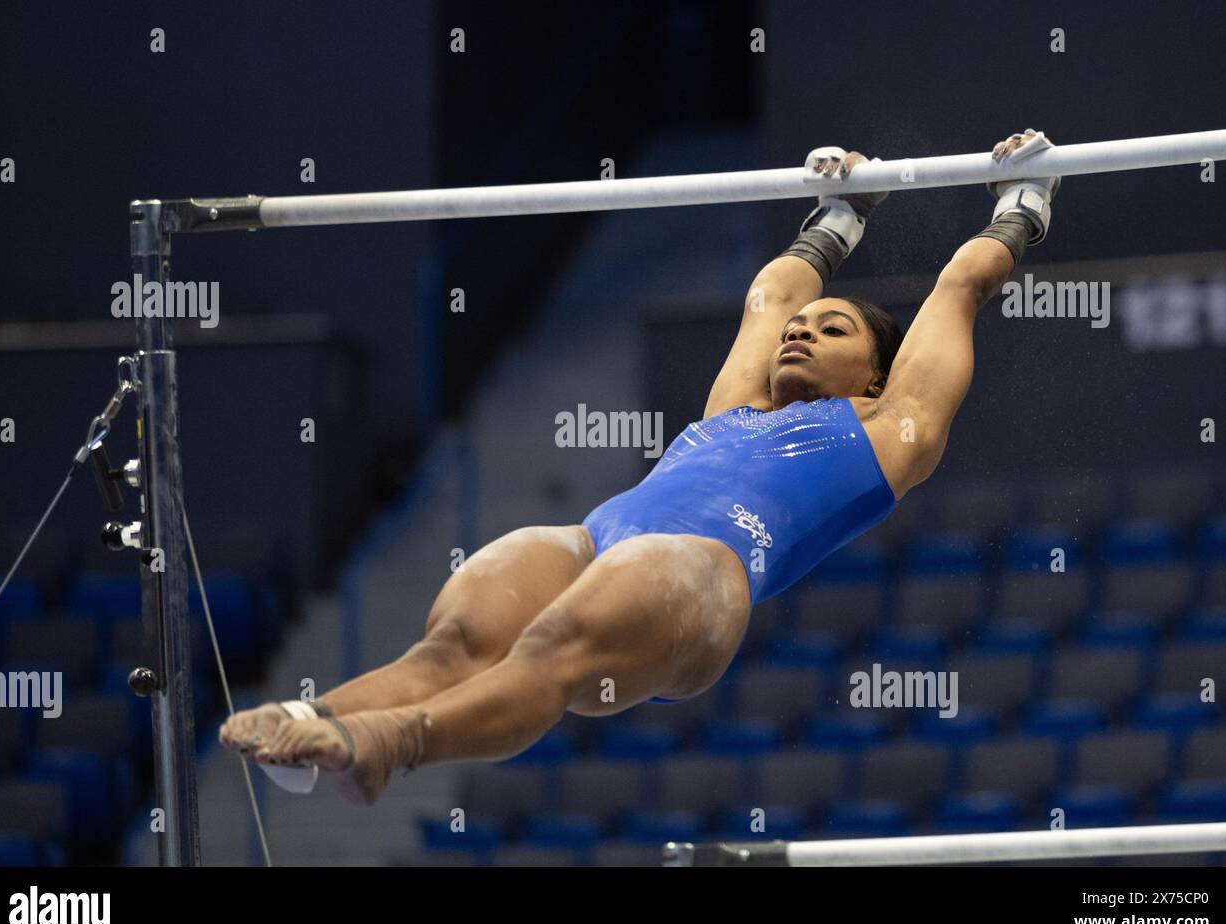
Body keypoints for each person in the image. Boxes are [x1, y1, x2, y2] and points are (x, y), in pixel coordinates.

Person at [219, 129, 1060, 805]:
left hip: (699, 577)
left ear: (876, 373)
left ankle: (384, 745)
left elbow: (958, 287)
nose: (802, 331)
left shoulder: (893, 427)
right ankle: (317, 717)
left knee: (550, 643)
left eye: (832, 330)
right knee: (466, 635)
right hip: (600, 544)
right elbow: (772, 293)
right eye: (807, 327)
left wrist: (1023, 201)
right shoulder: (735, 408)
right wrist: (842, 211)